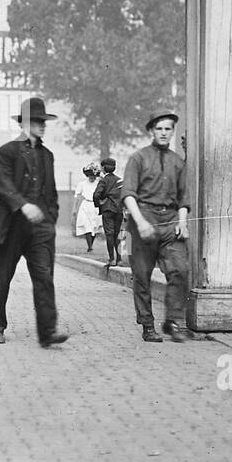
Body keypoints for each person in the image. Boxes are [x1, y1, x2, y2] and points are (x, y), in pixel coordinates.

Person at [0, 98, 69, 348]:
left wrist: (50, 218)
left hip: (40, 230)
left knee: (44, 277)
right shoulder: (7, 151)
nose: (42, 126)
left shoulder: (48, 155)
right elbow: (4, 184)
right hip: (10, 226)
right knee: (2, 278)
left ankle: (47, 332)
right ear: (23, 123)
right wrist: (24, 205)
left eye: (44, 121)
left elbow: (52, 192)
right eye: (36, 121)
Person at [123, 110, 193, 343]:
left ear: (173, 132)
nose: (164, 133)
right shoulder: (138, 158)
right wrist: (140, 222)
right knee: (142, 276)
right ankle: (147, 325)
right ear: (151, 131)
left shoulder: (177, 162)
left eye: (168, 129)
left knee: (180, 270)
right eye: (159, 129)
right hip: (141, 223)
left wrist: (182, 223)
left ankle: (172, 321)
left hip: (170, 222)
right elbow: (128, 194)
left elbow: (183, 198)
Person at [92, 157, 125, 267]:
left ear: (103, 168)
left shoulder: (103, 180)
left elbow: (96, 195)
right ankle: (119, 259)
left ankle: (111, 259)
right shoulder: (120, 180)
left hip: (108, 210)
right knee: (117, 234)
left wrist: (99, 204)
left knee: (109, 234)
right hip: (119, 210)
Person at [73, 163, 103, 252]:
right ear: (87, 175)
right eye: (90, 176)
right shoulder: (82, 184)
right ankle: (90, 247)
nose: (92, 178)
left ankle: (91, 244)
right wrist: (74, 209)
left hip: (95, 206)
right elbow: (77, 196)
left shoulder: (99, 184)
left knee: (94, 226)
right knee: (87, 226)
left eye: (93, 176)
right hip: (86, 205)